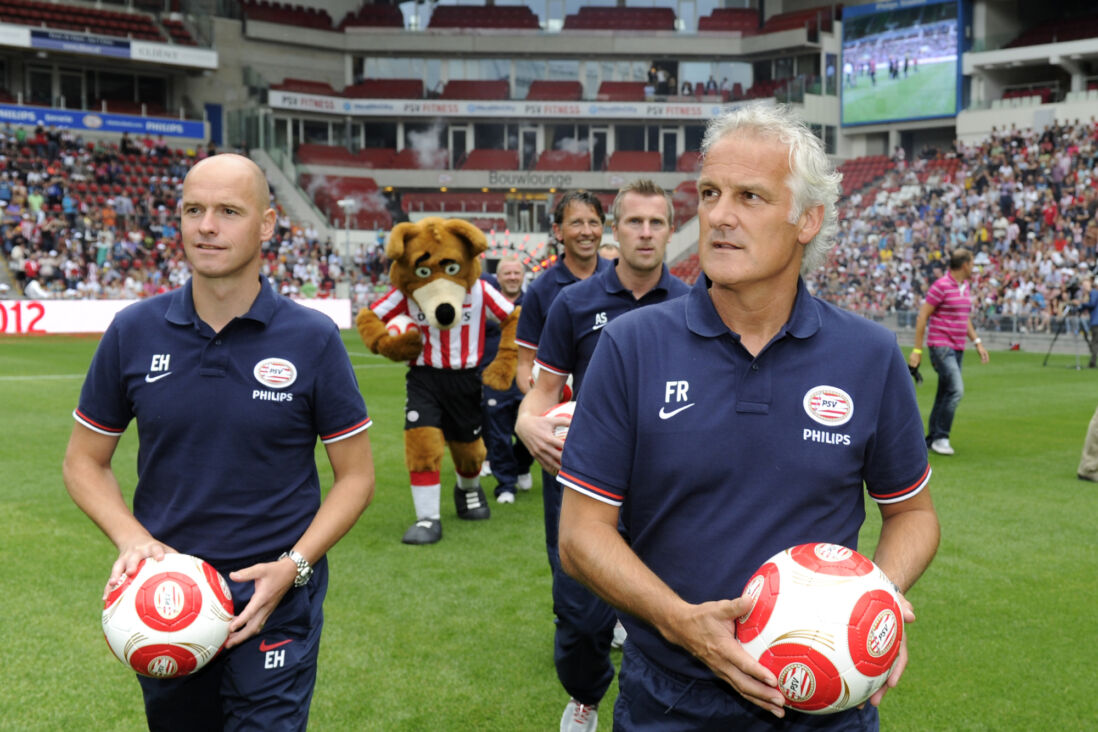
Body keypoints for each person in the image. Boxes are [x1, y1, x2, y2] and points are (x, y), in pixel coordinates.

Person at [553, 104, 940, 730]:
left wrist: (874, 606)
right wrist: (683, 623)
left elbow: (913, 514)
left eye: (750, 196)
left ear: (806, 219)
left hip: (824, 706)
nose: (720, 215)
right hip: (669, 697)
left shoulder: (868, 355)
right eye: (710, 193)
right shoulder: (631, 346)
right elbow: (580, 536)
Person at [62, 153, 376, 731]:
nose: (207, 226)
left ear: (267, 223)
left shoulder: (312, 338)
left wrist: (294, 567)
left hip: (276, 599)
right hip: (166, 600)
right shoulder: (134, 330)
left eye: (229, 211)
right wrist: (134, 542)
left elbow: (356, 477)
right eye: (194, 210)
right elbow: (84, 462)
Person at [516, 179, 689, 732]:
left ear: (670, 231)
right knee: (579, 616)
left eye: (656, 223)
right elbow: (543, 391)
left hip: (667, 483)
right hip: (585, 478)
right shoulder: (573, 302)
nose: (645, 233)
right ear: (616, 230)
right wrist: (527, 424)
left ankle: (663, 707)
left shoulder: (694, 303)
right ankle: (586, 696)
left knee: (669, 606)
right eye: (634, 222)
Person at [515, 190, 610, 395]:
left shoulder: (622, 279)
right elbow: (524, 365)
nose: (587, 231)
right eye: (576, 223)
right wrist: (543, 405)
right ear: (558, 231)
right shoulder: (540, 290)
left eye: (593, 222)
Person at [908, 248, 990, 455]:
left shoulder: (964, 287)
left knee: (945, 392)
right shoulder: (941, 286)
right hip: (941, 345)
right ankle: (942, 437)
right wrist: (917, 350)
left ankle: (932, 437)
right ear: (964, 265)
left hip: (958, 346)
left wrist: (977, 342)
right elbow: (922, 316)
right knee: (955, 390)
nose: (974, 268)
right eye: (972, 263)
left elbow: (965, 317)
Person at [481, 254, 534, 504]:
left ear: (523, 276)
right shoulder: (486, 304)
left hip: (529, 378)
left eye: (516, 273)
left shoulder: (535, 302)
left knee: (528, 430)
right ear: (498, 277)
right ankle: (506, 486)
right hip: (495, 379)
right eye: (507, 273)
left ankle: (522, 465)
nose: (512, 277)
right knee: (498, 434)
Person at [1077, 277, 1098, 368]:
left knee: (1094, 342)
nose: (1084, 288)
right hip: (1095, 321)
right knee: (1094, 342)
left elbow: (1092, 304)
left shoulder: (1094, 292)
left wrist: (1080, 303)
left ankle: (1092, 362)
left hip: (1096, 322)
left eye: (1085, 285)